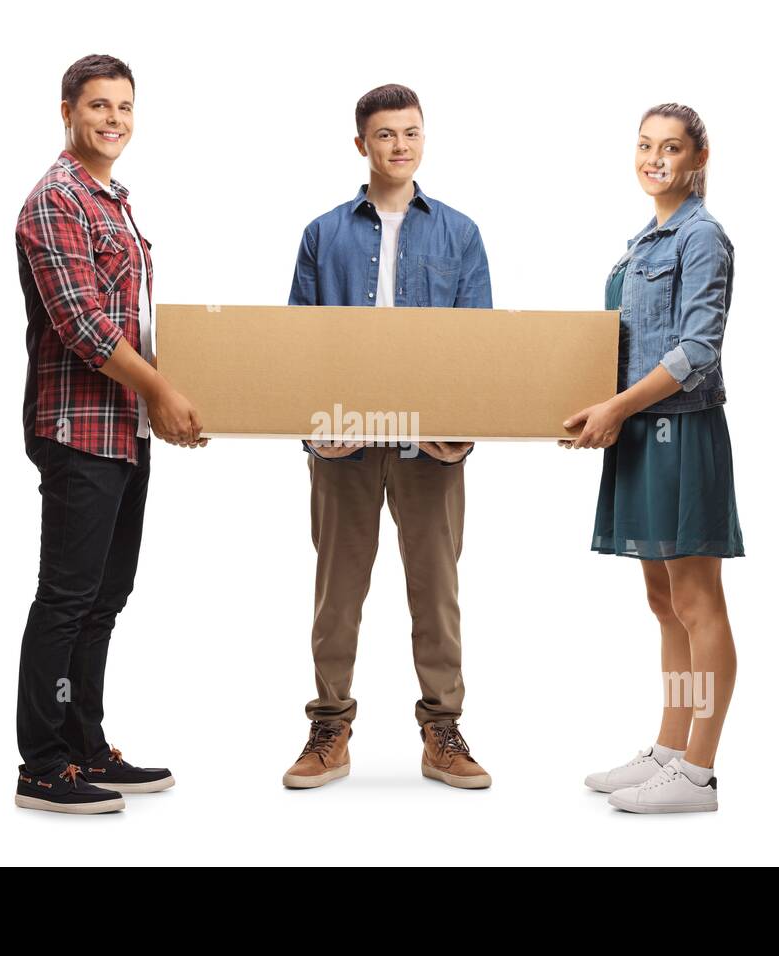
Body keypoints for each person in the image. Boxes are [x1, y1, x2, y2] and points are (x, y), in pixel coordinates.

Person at [282, 84, 493, 790]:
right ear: (361, 145)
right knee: (337, 593)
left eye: (411, 133)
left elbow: (481, 347)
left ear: (423, 138)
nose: (399, 146)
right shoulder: (323, 234)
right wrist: (315, 435)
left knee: (436, 592)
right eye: (385, 135)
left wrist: (461, 436)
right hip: (344, 443)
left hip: (430, 449)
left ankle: (443, 730)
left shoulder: (460, 234)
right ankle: (329, 727)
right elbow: (295, 344)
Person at [13, 54, 207, 814]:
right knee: (66, 596)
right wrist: (161, 390)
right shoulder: (56, 201)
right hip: (78, 428)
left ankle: (85, 744)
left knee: (106, 594)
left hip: (125, 429)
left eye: (125, 107)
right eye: (99, 106)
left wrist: (173, 398)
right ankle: (42, 763)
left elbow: (133, 323)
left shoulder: (113, 201)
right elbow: (84, 325)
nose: (114, 120)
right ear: (67, 111)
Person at [561, 103, 742, 813]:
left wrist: (616, 407)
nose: (654, 158)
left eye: (670, 147)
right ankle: (670, 747)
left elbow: (697, 352)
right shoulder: (643, 241)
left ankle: (698, 772)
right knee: (662, 600)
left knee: (697, 602)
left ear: (699, 157)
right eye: (644, 145)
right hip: (636, 430)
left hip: (679, 431)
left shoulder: (703, 239)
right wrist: (590, 405)